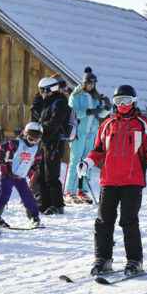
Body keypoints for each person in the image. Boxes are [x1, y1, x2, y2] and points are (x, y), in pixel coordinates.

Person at [77, 84, 147, 277]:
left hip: (133, 180)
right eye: (118, 101)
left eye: (127, 101)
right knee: (103, 221)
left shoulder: (143, 124)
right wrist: (87, 163)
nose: (122, 105)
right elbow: (98, 150)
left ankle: (134, 261)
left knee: (128, 220)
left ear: (134, 102)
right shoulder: (107, 124)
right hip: (109, 180)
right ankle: (103, 259)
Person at [0, 122, 44, 228]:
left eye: (36, 139)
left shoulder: (36, 149)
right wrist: (3, 164)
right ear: (25, 134)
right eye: (31, 138)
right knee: (4, 195)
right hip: (9, 174)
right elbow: (1, 149)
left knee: (28, 197)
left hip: (21, 176)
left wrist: (32, 171)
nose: (33, 142)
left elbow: (38, 160)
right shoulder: (16, 143)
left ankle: (34, 216)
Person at [65, 69, 107, 202]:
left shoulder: (96, 97)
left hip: (91, 132)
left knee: (88, 161)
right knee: (75, 160)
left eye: (93, 84)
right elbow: (72, 111)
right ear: (84, 83)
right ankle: (69, 191)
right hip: (79, 132)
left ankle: (83, 190)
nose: (91, 86)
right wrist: (88, 111)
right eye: (89, 84)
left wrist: (106, 107)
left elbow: (101, 114)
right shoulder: (76, 95)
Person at [37, 77, 72, 215]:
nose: (40, 93)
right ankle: (46, 203)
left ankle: (57, 205)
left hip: (55, 142)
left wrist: (39, 127)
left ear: (49, 90)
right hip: (46, 142)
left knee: (52, 174)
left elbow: (54, 123)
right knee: (42, 174)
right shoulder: (48, 102)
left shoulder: (60, 103)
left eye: (41, 90)